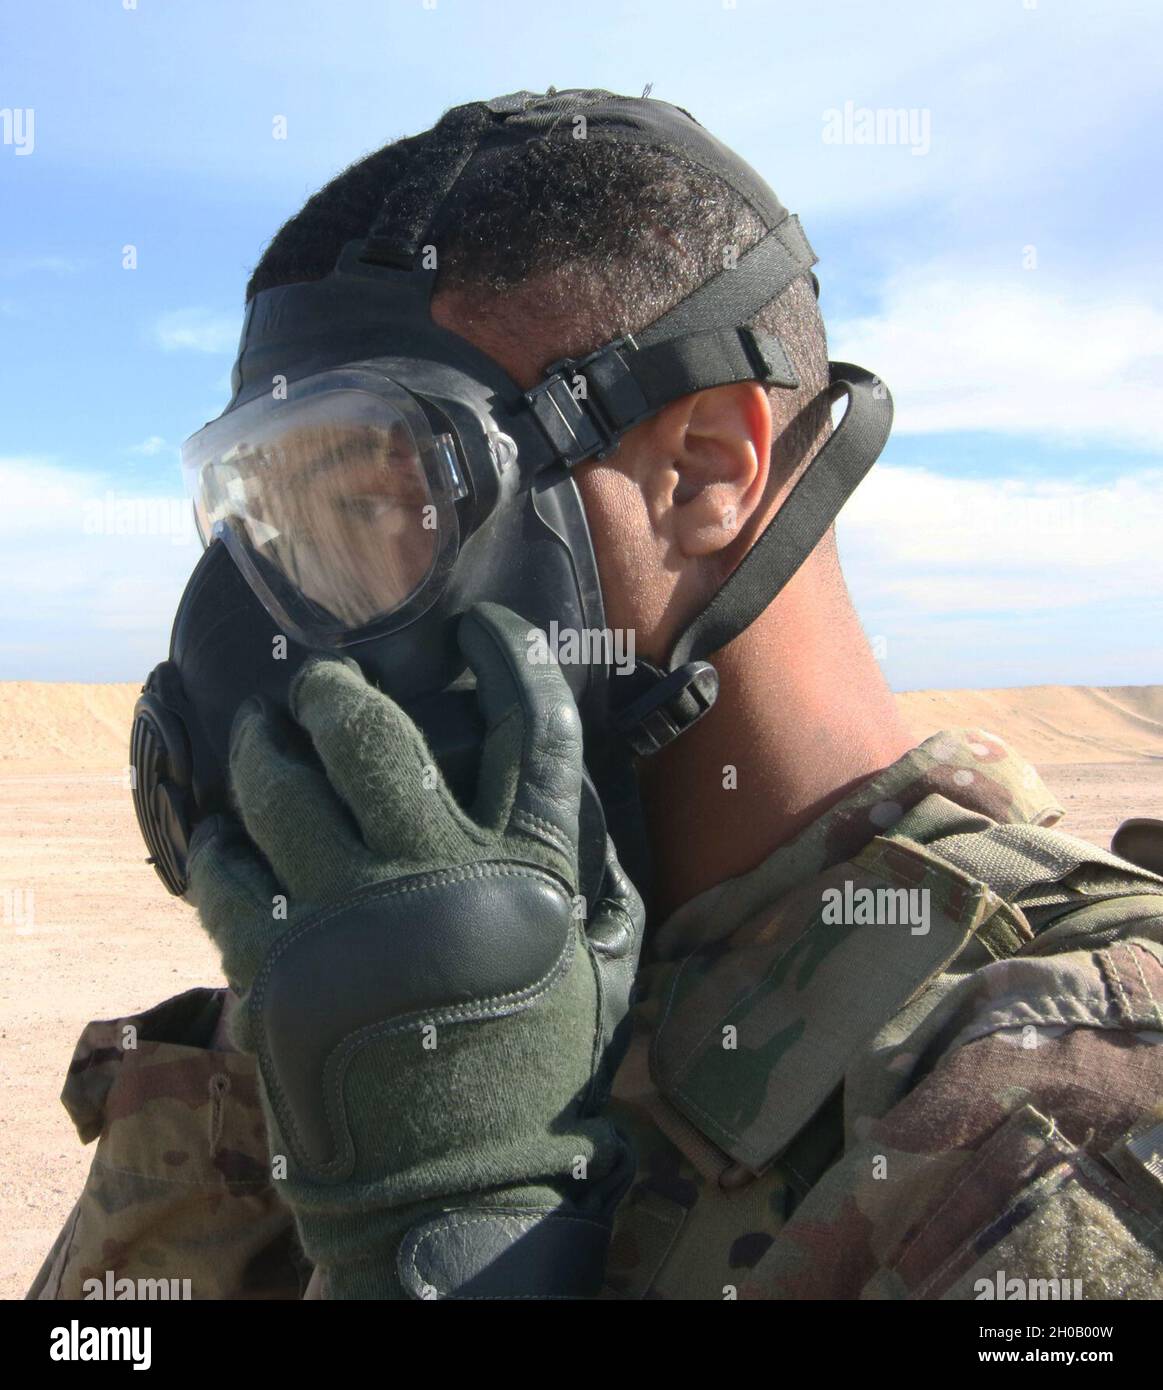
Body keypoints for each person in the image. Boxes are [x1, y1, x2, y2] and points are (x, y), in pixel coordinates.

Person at [30, 89, 1163, 1301]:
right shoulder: (350, 1015)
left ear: (704, 471)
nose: (289, 628)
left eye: (371, 501)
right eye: (275, 532)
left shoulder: (1056, 1114)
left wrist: (447, 1237)